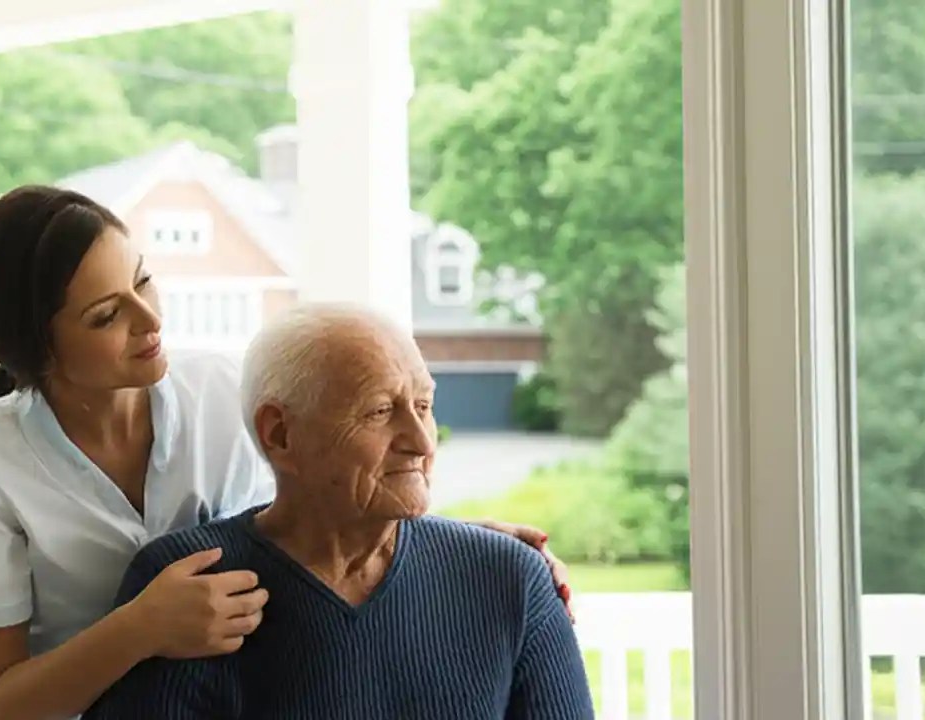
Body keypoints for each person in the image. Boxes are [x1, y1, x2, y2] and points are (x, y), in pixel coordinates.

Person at [0, 186, 572, 720]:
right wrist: (142, 627)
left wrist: (463, 553)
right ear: (36, 348)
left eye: (142, 282)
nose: (150, 321)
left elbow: (317, 501)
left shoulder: (214, 391)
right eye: (106, 315)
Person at [85, 304, 595, 720]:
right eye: (379, 411)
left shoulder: (511, 576)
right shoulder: (184, 587)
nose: (420, 442)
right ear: (280, 435)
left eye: (423, 406)